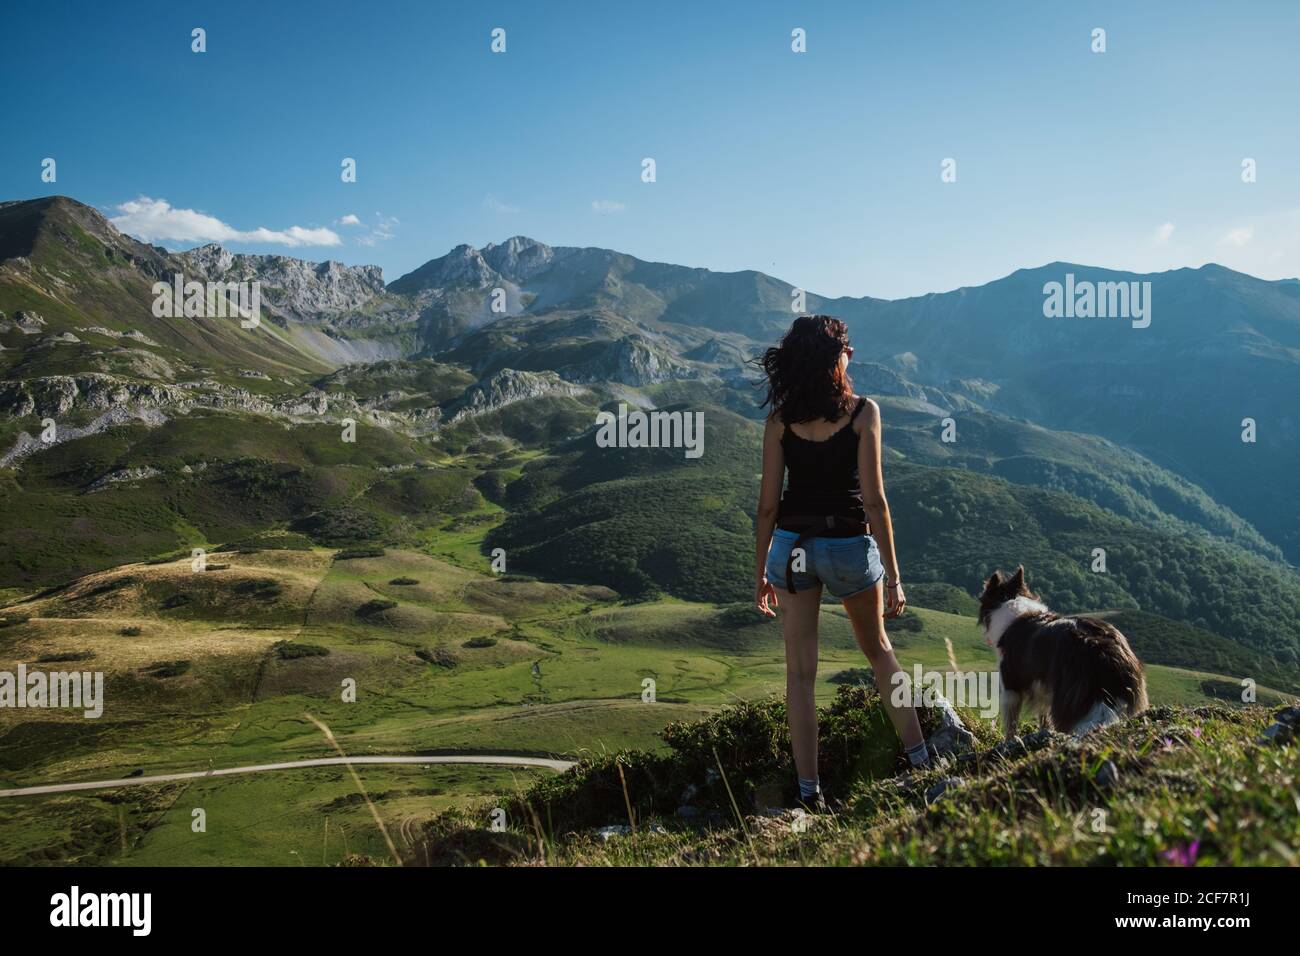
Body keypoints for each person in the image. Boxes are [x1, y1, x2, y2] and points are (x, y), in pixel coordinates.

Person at [753, 315, 929, 808]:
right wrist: (894, 575)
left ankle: (810, 793)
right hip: (849, 544)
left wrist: (760, 573)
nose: (851, 355)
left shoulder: (779, 421)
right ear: (837, 358)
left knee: (800, 675)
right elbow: (875, 502)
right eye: (847, 350)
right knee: (879, 653)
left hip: (791, 550)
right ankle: (921, 761)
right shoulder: (863, 412)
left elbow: (768, 505)